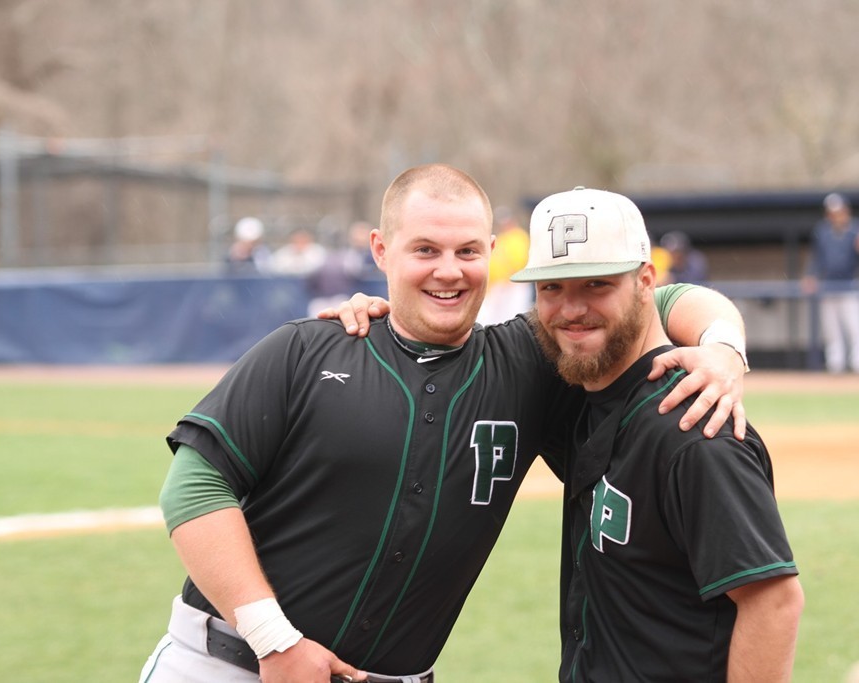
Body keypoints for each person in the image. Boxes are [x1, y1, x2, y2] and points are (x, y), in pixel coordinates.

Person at [140, 164, 749, 683]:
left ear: (491, 251)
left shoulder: (528, 362)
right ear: (381, 250)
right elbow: (192, 490)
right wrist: (275, 639)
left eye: (467, 251)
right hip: (230, 664)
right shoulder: (308, 349)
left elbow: (654, 300)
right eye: (425, 250)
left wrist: (723, 347)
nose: (448, 271)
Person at [509, 186, 803, 681]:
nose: (570, 309)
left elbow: (773, 604)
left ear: (646, 280)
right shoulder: (588, 393)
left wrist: (727, 348)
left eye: (596, 284)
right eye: (551, 288)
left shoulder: (693, 429)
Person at [801, 192, 859, 373]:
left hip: (850, 284)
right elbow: (817, 258)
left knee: (856, 327)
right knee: (831, 330)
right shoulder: (822, 230)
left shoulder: (857, 229)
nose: (836, 215)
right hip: (828, 285)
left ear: (846, 211)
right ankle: (835, 365)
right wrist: (811, 275)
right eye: (832, 212)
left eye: (839, 211)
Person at [477, 205, 533, 325]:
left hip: (514, 284)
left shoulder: (519, 236)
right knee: (494, 319)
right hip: (497, 285)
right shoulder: (501, 238)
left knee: (514, 316)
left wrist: (510, 279)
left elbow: (521, 261)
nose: (504, 224)